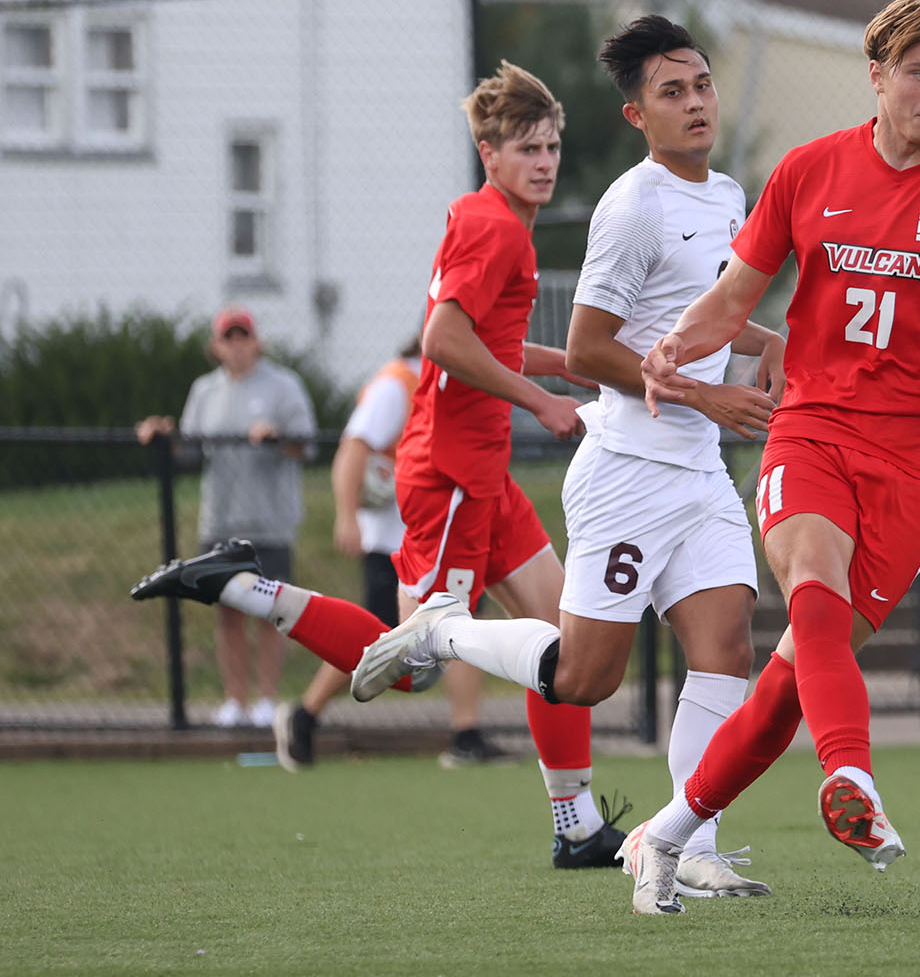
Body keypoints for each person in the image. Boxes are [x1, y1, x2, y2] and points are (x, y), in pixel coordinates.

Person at [619, 0, 920, 915]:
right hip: (813, 427)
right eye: (919, 75)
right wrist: (675, 345)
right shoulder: (808, 171)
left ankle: (663, 836)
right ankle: (852, 779)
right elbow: (735, 300)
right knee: (812, 591)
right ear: (877, 74)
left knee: (788, 683)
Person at [133, 62, 628, 870]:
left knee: (571, 650)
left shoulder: (498, 220)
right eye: (526, 148)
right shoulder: (493, 225)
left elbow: (483, 339)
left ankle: (575, 827)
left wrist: (564, 365)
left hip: (486, 475)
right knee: (414, 668)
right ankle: (237, 584)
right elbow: (441, 339)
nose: (544, 162)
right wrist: (539, 400)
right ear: (488, 152)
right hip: (454, 476)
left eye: (552, 147)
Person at [352, 16, 783, 899]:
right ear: (637, 115)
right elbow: (588, 352)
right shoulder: (633, 206)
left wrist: (765, 338)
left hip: (696, 468)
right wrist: (707, 393)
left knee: (727, 649)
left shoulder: (734, 194)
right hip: (626, 470)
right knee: (585, 680)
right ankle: (444, 628)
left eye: (701, 84)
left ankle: (681, 843)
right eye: (673, 92)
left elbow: (697, 318)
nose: (696, 102)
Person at [271, 337, 516, 772]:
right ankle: (304, 715)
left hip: (431, 534)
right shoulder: (398, 384)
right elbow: (353, 448)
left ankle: (466, 733)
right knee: (378, 635)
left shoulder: (437, 380)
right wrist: (346, 516)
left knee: (459, 619)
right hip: (393, 539)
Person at [135, 306, 315, 729]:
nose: (236, 345)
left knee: (271, 612)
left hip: (270, 522)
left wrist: (276, 439)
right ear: (216, 346)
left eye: (243, 336)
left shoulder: (284, 386)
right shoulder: (204, 391)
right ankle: (235, 701)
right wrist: (163, 437)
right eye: (228, 338)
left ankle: (267, 700)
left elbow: (306, 446)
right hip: (220, 522)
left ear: (257, 342)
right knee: (228, 612)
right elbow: (191, 451)